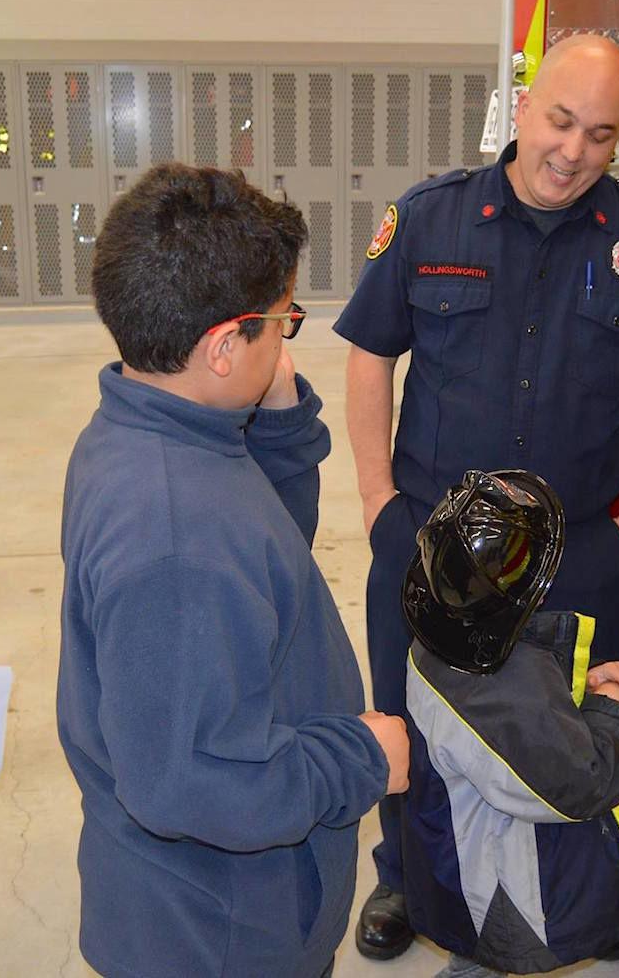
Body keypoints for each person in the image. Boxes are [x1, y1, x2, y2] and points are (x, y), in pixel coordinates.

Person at [333, 33, 619, 958]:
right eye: (560, 121)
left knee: (575, 731)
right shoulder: (431, 220)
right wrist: (375, 499)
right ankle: (405, 879)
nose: (573, 151)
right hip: (429, 544)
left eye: (601, 133)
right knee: (411, 722)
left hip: (580, 557)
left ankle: (581, 893)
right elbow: (370, 354)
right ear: (522, 106)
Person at [57, 162, 411, 978]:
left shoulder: (150, 429)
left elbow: (257, 556)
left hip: (212, 910)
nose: (289, 333)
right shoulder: (176, 538)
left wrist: (277, 424)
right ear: (223, 346)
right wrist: (360, 756)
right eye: (282, 320)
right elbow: (188, 782)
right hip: (219, 934)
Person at [401, 470, 619, 977]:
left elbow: (514, 721)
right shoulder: (503, 687)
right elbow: (579, 782)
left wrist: (582, 681)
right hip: (515, 890)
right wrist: (612, 710)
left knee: (478, 952)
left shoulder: (434, 645)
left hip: (457, 866)